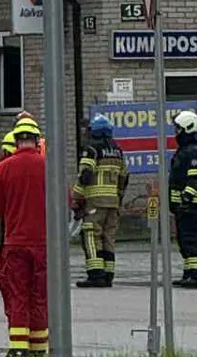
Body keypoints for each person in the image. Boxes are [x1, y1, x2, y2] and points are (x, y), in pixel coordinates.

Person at [0, 115, 47, 356]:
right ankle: (39, 349)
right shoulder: (49, 166)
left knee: (18, 296)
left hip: (15, 243)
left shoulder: (2, 169)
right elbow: (62, 203)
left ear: (15, 141)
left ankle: (18, 348)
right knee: (40, 297)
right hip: (44, 244)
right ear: (36, 140)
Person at [72, 113, 129, 288]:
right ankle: (108, 274)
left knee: (91, 235)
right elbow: (124, 177)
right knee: (108, 237)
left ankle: (96, 274)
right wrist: (118, 197)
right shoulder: (118, 151)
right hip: (113, 202)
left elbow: (86, 175)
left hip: (95, 201)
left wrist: (77, 198)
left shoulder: (91, 150)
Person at [168, 109, 197, 288]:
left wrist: (186, 197)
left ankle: (196, 276)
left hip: (191, 205)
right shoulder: (185, 150)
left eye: (178, 129)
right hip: (182, 205)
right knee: (184, 240)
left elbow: (196, 178)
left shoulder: (193, 152)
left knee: (191, 240)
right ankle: (188, 273)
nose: (176, 133)